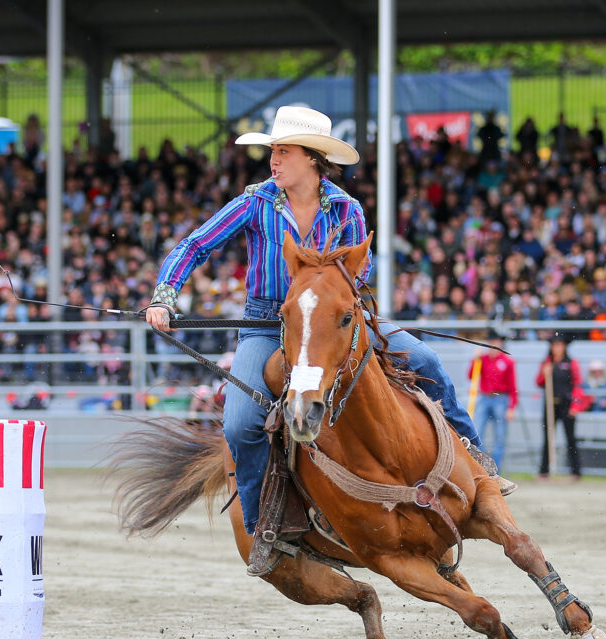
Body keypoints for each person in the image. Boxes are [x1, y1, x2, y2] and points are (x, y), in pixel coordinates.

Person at [144, 106, 510, 575]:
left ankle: (477, 461)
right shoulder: (254, 202)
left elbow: (365, 270)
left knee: (427, 361)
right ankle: (263, 527)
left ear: (313, 159)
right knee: (239, 426)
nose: (273, 161)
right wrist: (164, 296)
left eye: (283, 152)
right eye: (273, 151)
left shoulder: (347, 209)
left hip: (337, 321)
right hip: (266, 326)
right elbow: (194, 244)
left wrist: (331, 297)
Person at [535, 334, 582, 481]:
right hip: (550, 404)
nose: (557, 348)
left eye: (560, 345)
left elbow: (577, 385)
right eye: (555, 345)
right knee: (548, 438)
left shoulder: (571, 363)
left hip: (566, 404)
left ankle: (576, 471)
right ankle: (544, 471)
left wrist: (575, 405)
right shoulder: (547, 363)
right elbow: (539, 382)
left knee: (570, 438)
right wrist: (544, 373)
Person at [468, 330, 517, 470]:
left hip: (501, 399)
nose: (494, 344)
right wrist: (474, 360)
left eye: (496, 341)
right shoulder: (482, 359)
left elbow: (513, 387)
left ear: (501, 343)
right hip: (484, 398)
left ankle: (496, 470)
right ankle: (481, 468)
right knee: (477, 434)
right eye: (491, 342)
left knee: (500, 437)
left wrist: (511, 407)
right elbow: (471, 376)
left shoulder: (508, 361)